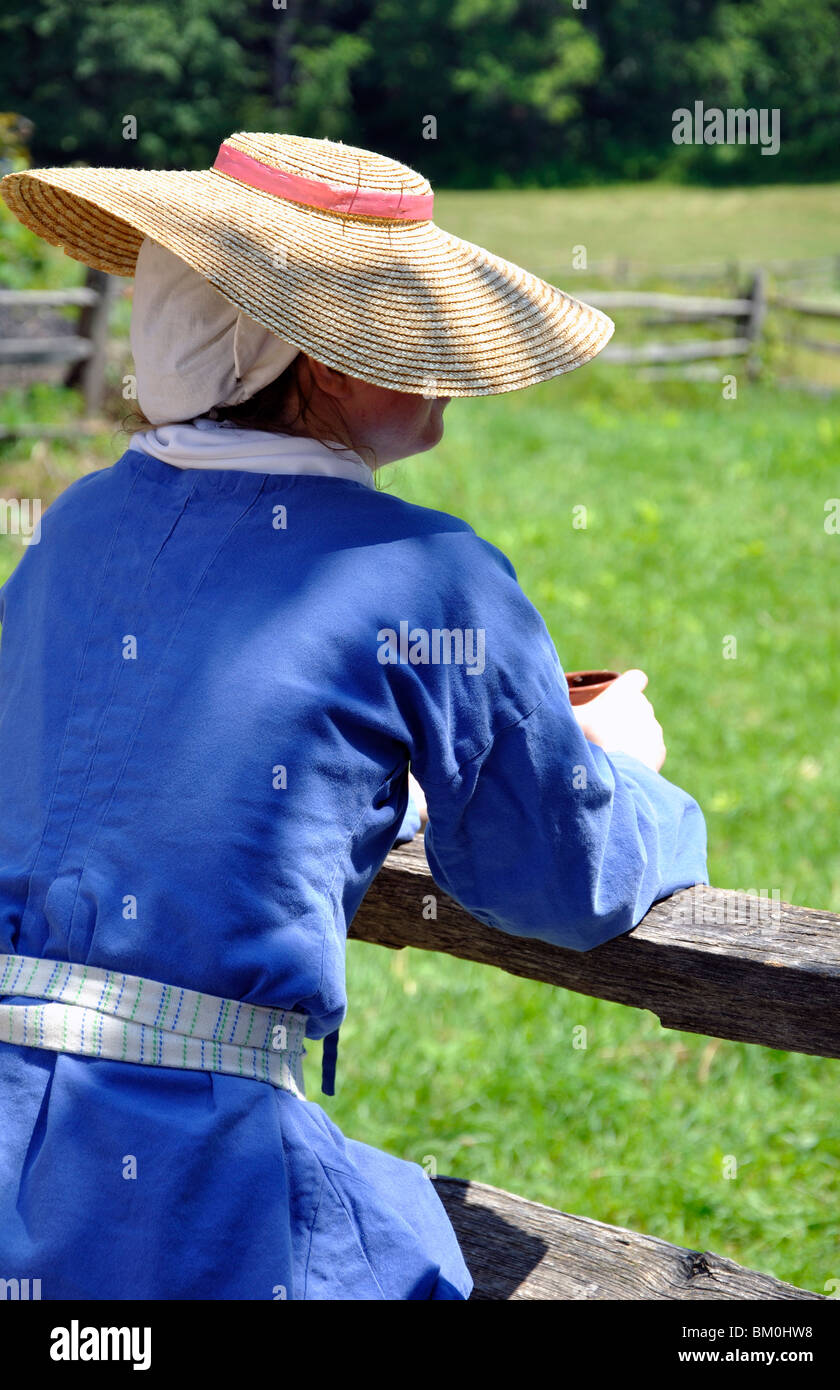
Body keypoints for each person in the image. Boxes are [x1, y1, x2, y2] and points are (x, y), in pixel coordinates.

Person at [0, 131, 707, 1300]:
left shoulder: (75, 529)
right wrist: (633, 769)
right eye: (395, 328)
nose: (435, 359)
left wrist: (373, 788)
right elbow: (555, 876)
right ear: (311, 361)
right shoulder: (430, 574)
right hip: (186, 1190)